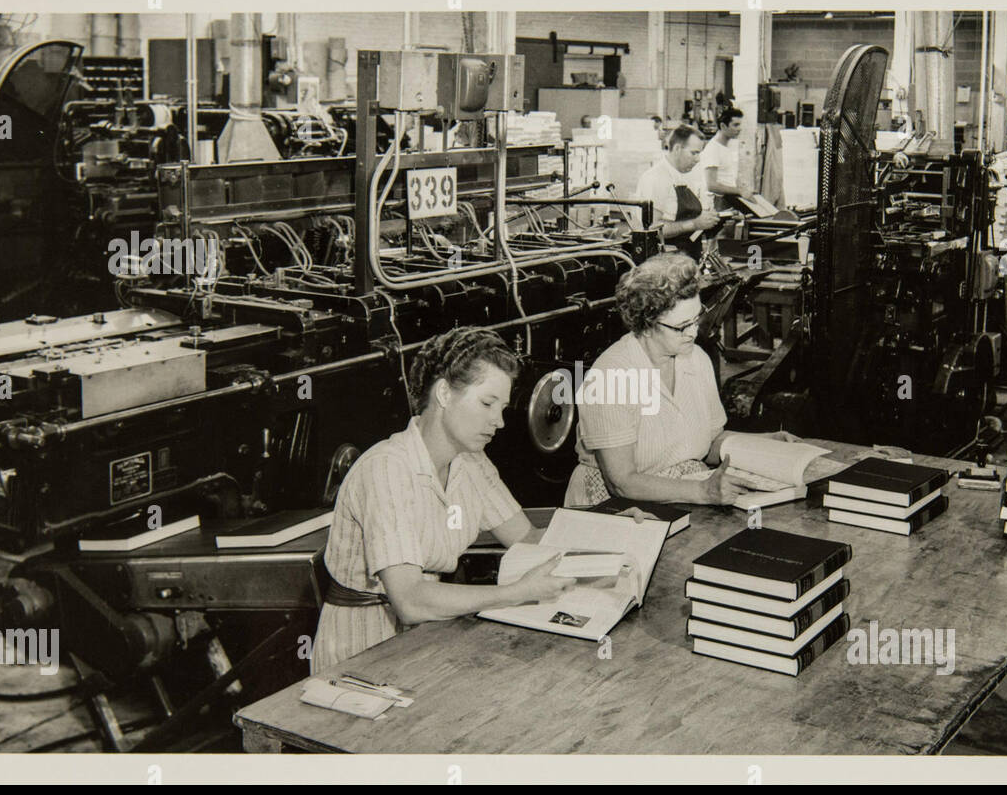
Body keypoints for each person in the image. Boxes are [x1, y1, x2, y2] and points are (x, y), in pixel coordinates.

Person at [311, 327, 579, 672]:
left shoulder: (471, 462)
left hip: (429, 634)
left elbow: (527, 539)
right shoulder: (387, 468)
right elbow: (409, 599)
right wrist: (516, 592)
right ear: (444, 394)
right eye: (486, 403)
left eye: (502, 408)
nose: (498, 422)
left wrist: (615, 534)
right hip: (362, 653)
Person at [564, 252, 789, 508]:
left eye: (697, 318)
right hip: (619, 504)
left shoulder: (696, 359)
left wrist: (766, 444)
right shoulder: (610, 377)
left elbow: (710, 443)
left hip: (686, 491)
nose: (693, 332)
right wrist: (703, 492)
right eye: (682, 326)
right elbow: (622, 482)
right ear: (646, 324)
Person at [634, 125, 720, 258]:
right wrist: (694, 224)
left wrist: (707, 219)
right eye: (694, 153)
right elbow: (650, 229)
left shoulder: (685, 174)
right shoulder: (655, 178)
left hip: (688, 255)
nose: (698, 159)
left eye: (699, 153)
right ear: (677, 149)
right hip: (666, 260)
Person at [699, 107, 755, 209]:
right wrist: (740, 191)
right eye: (735, 125)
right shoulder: (713, 149)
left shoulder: (727, 146)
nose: (739, 129)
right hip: (717, 202)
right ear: (723, 126)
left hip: (728, 199)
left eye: (740, 124)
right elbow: (711, 185)